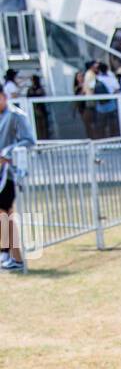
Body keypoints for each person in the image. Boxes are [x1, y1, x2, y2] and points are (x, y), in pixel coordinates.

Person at [0, 88, 37, 272]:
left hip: (10, 173)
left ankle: (15, 256)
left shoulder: (16, 115)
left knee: (5, 214)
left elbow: (29, 140)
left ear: (4, 97)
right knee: (3, 215)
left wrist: (7, 153)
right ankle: (6, 252)